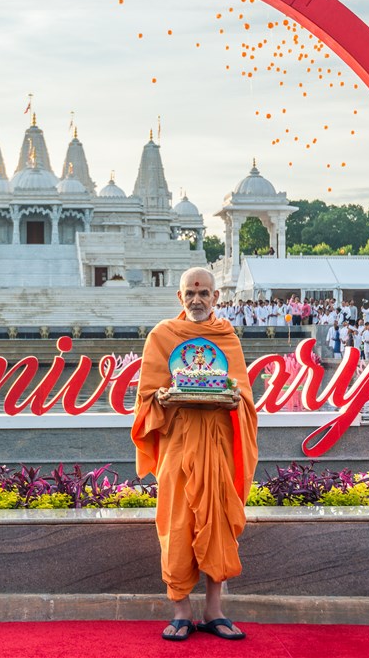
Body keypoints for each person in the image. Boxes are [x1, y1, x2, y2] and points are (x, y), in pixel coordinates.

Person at [131, 267, 259, 642]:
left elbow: (244, 395)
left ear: (216, 298)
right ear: (180, 297)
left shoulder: (226, 337)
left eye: (205, 294)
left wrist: (236, 400)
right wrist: (162, 397)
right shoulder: (162, 336)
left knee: (217, 521)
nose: (198, 300)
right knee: (177, 524)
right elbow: (146, 397)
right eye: (191, 293)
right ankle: (182, 610)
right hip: (178, 446)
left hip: (217, 446)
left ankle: (214, 610)